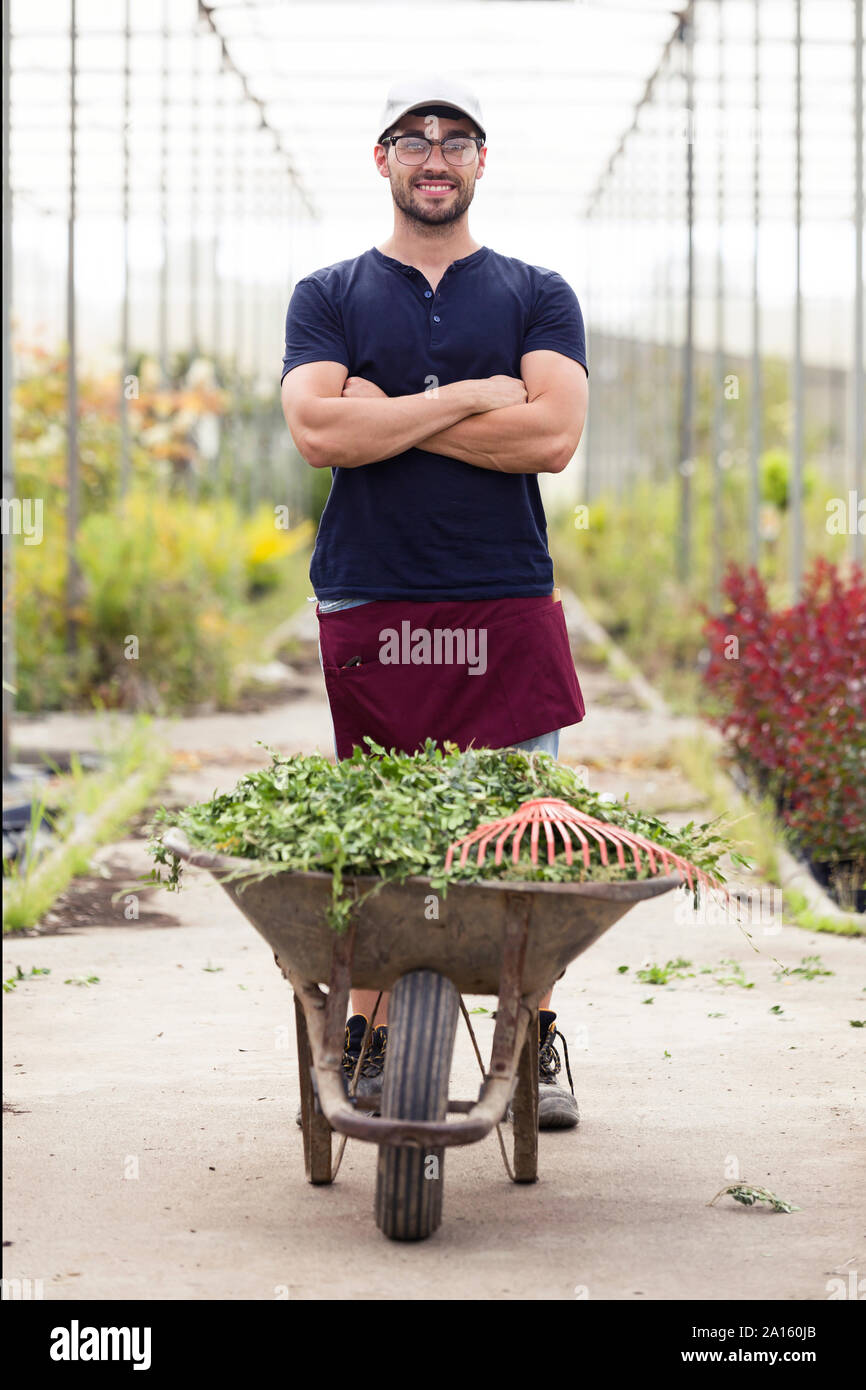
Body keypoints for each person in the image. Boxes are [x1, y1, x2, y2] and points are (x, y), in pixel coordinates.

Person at [281, 77, 589, 1129]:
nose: (433, 155)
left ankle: (533, 1039)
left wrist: (390, 413)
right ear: (381, 160)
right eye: (413, 138)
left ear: (479, 163)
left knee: (523, 838)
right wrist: (468, 397)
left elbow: (549, 438)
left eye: (455, 139)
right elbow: (320, 435)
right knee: (378, 839)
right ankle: (362, 1036)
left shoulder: (535, 293)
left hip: (502, 595)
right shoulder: (326, 294)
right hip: (371, 597)